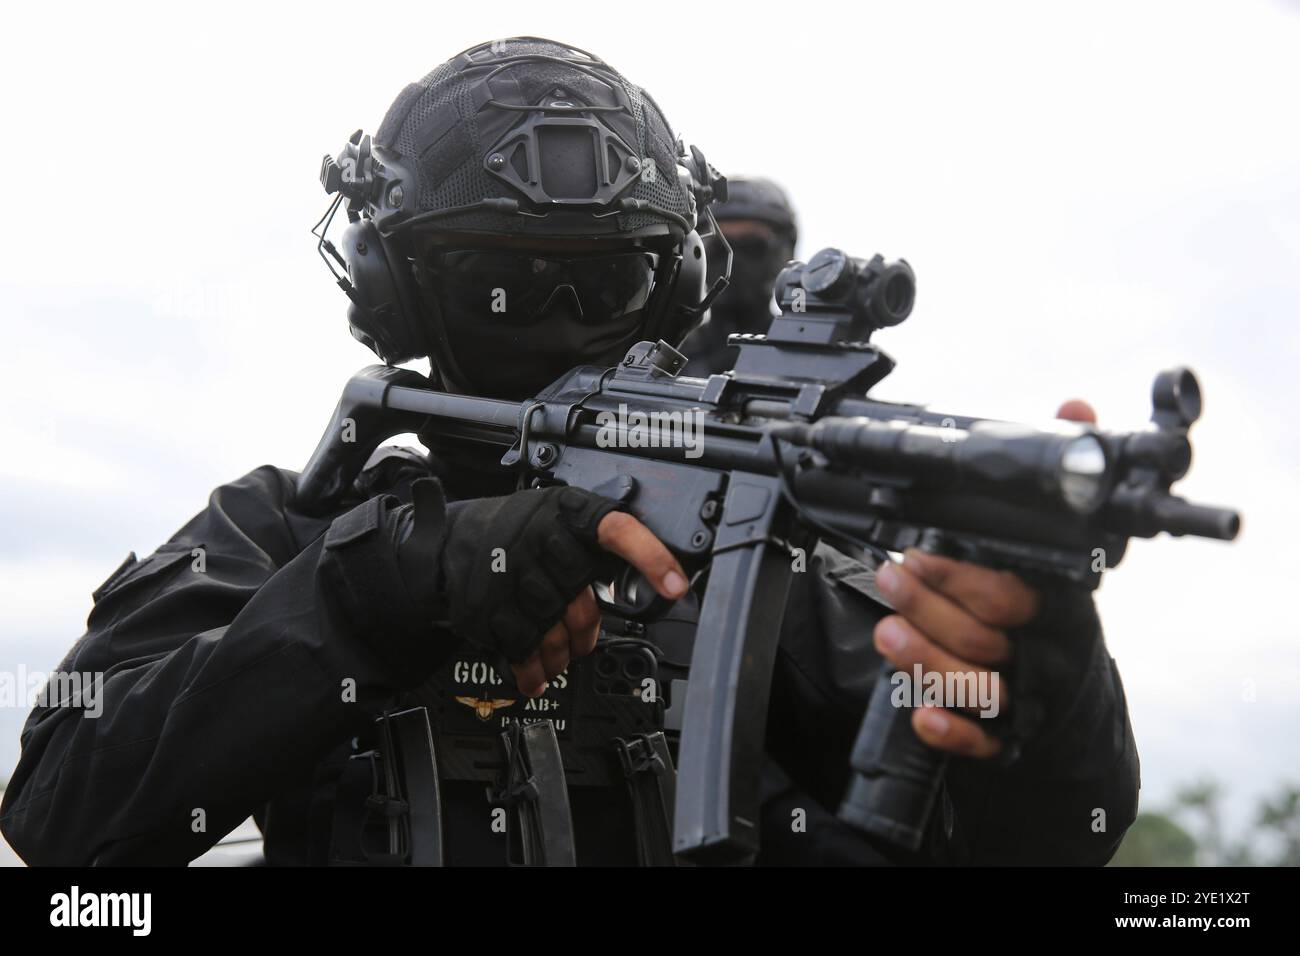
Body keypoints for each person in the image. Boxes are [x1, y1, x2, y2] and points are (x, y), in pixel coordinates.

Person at [0, 37, 1138, 866]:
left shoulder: (747, 537)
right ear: (397, 292)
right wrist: (373, 593)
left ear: (678, 280)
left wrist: (1039, 688)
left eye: (600, 277)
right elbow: (60, 821)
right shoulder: (290, 531)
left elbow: (1051, 839)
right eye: (493, 279)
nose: (549, 315)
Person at [681, 176, 798, 376]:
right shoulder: (664, 358)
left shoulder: (804, 357)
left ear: (784, 254)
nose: (734, 262)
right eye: (719, 248)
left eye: (752, 246)